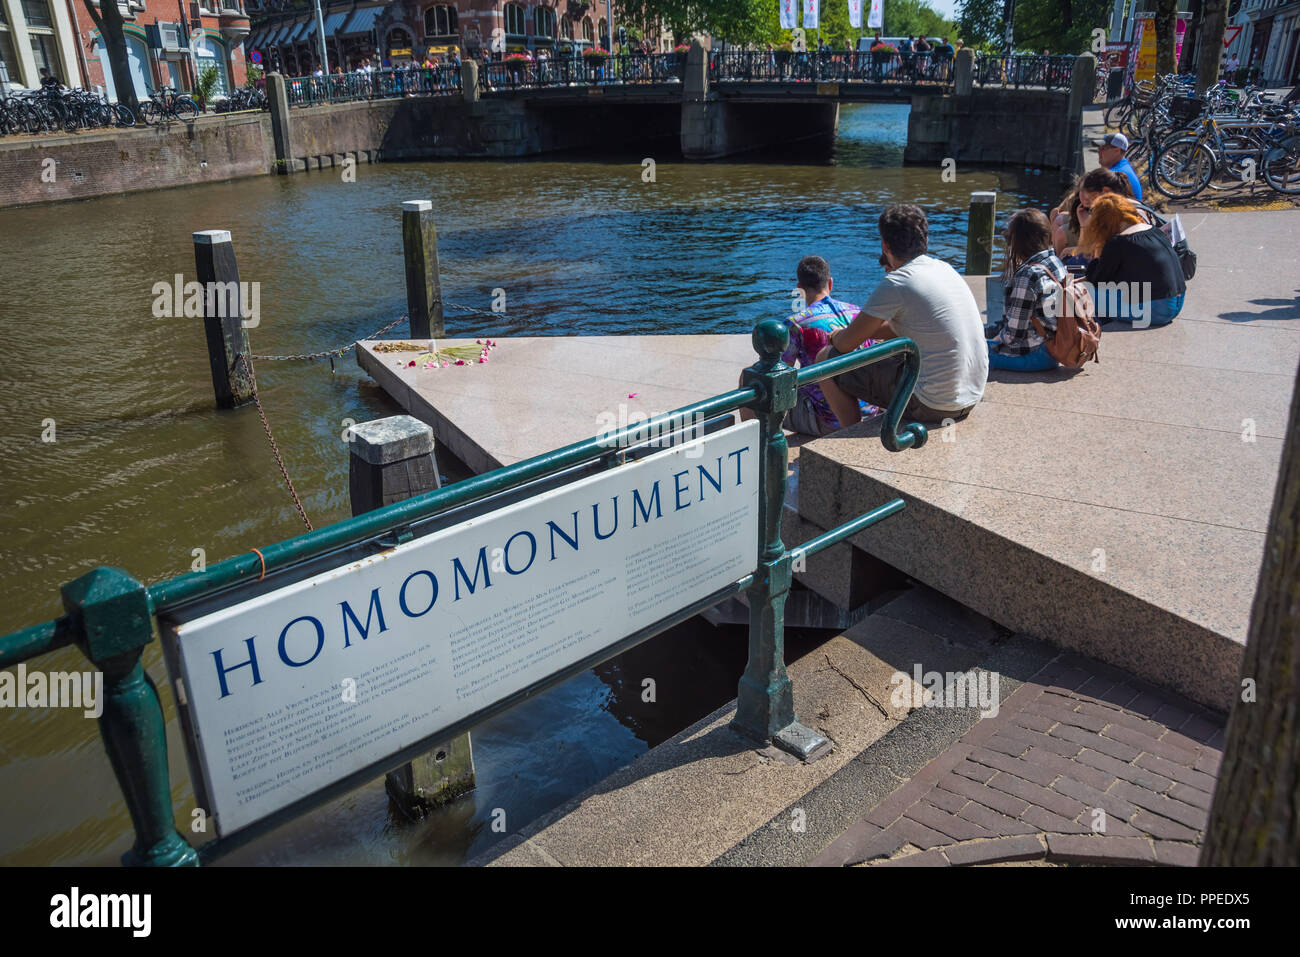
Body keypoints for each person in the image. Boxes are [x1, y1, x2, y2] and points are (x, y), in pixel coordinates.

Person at [816, 204, 988, 426]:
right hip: (970, 396)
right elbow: (909, 327)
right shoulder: (945, 269)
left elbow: (846, 345)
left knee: (825, 359)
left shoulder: (897, 282)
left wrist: (838, 335)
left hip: (932, 404)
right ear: (925, 241)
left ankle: (847, 434)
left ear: (885, 245)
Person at [740, 256, 874, 435]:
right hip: (869, 411)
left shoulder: (797, 323)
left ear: (799, 289)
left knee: (750, 377)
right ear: (830, 283)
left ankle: (758, 445)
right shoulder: (857, 313)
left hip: (828, 419)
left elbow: (778, 375)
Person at [1080, 194, 1186, 326]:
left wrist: (1098, 249)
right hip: (1178, 302)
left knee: (1082, 294)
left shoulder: (1118, 242)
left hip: (1157, 310)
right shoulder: (1154, 230)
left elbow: (1096, 281)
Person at [987, 210, 1067, 371]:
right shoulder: (1055, 262)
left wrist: (993, 340)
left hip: (1034, 355)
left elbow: (1013, 335)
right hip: (1055, 346)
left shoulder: (1028, 275)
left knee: (968, 351)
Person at [1092, 131, 1143, 201]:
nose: (1099, 151)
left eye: (1103, 148)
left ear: (1117, 151)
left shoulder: (1115, 174)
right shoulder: (1122, 166)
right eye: (1099, 148)